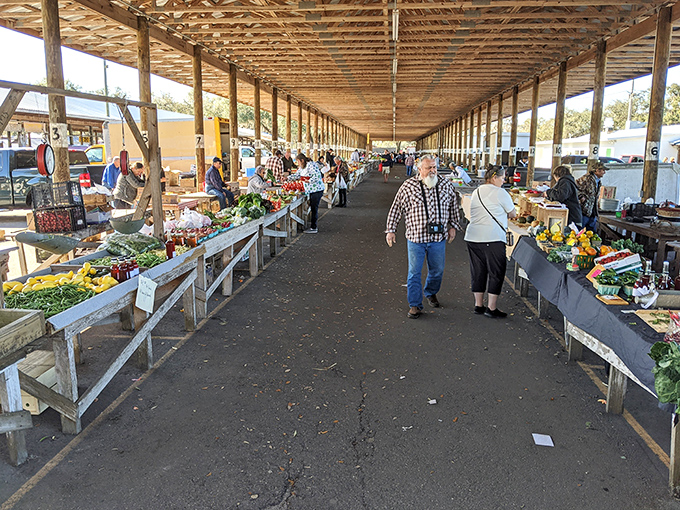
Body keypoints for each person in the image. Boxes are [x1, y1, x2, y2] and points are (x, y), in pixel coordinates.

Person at [385, 154, 463, 319]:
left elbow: (453, 206)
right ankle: (414, 305)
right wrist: (391, 230)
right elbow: (396, 207)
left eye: (434, 167)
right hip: (416, 238)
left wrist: (453, 227)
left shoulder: (445, 184)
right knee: (414, 272)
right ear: (419, 169)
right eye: (429, 168)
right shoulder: (409, 186)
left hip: (438, 238)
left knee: (437, 270)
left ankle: (431, 292)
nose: (433, 171)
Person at [464, 166, 517, 318]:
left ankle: (478, 305)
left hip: (473, 237)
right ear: (494, 178)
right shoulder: (501, 193)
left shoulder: (477, 191)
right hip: (492, 238)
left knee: (478, 271)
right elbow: (512, 214)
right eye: (502, 177)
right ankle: (491, 308)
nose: (504, 180)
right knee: (496, 272)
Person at [296, 152, 326, 233]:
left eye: (298, 161)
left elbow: (317, 176)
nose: (297, 163)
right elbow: (297, 175)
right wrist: (287, 178)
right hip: (311, 190)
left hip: (317, 189)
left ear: (302, 160)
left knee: (314, 208)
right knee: (313, 207)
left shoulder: (311, 165)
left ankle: (314, 227)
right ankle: (312, 225)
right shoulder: (302, 167)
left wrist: (308, 181)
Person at [576, 161, 607, 231]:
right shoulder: (586, 178)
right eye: (603, 170)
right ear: (597, 170)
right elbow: (574, 187)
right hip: (584, 211)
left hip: (592, 212)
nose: (604, 172)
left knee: (592, 233)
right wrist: (581, 197)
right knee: (579, 232)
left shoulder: (598, 181)